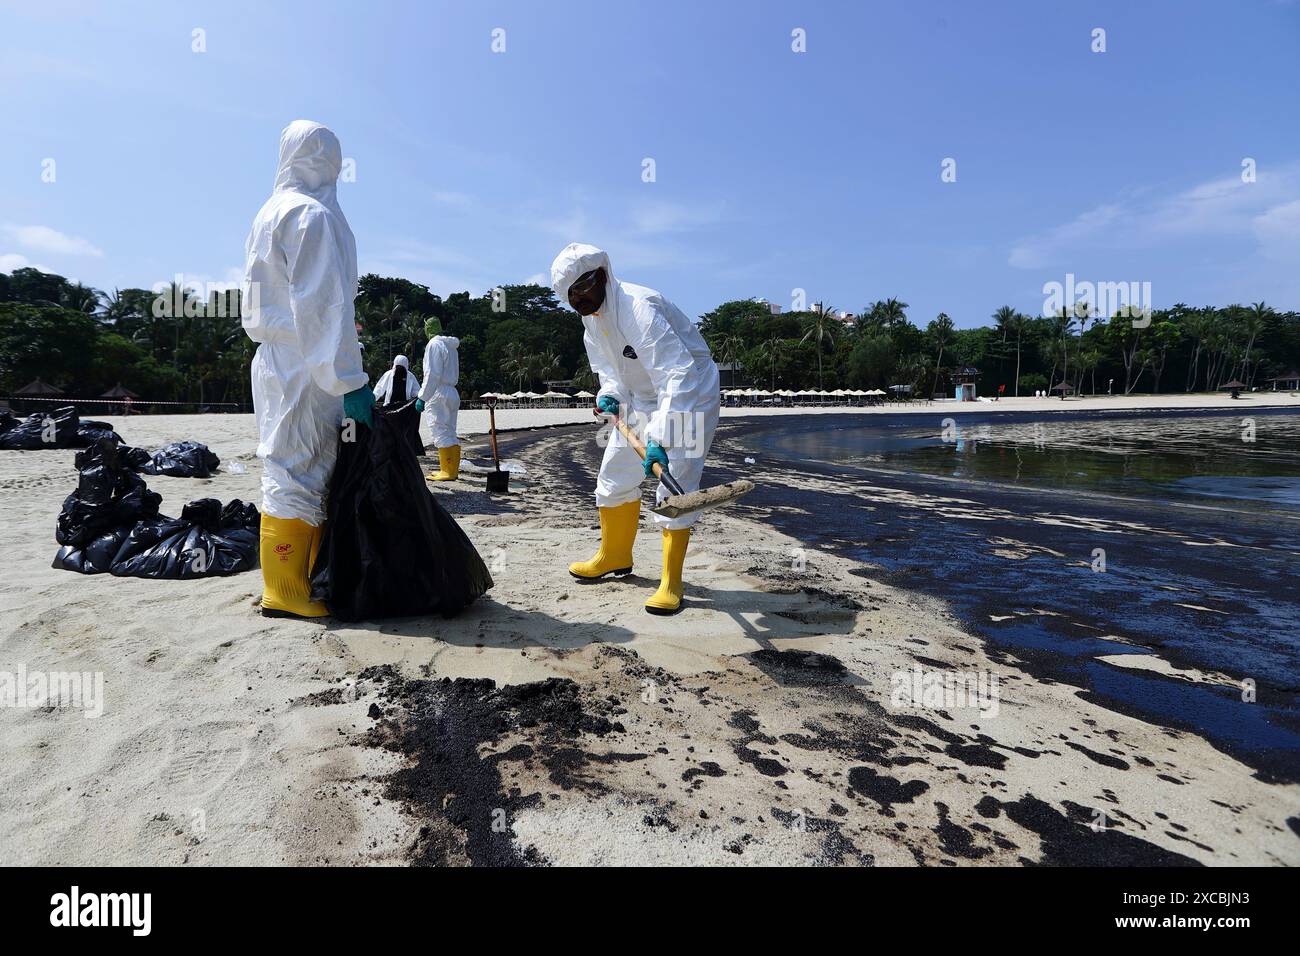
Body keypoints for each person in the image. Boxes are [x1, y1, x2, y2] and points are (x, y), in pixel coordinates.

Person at [242, 120, 373, 618]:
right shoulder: (311, 215)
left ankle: (302, 574)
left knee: (299, 464)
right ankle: (284, 588)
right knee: (298, 467)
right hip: (305, 362)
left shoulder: (270, 212)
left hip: (281, 359)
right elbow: (322, 306)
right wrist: (350, 380)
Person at [550, 243, 720, 615]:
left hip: (690, 392)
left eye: (583, 288)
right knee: (613, 476)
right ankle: (613, 556)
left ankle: (671, 582)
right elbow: (609, 371)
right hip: (643, 398)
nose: (578, 299)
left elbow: (678, 373)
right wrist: (609, 395)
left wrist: (659, 439)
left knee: (675, 486)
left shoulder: (638, 307)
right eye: (570, 295)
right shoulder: (591, 322)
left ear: (603, 276)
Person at [418, 317, 461, 481]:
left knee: (440, 430)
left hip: (439, 392)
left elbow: (432, 374)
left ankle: (447, 471)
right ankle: (450, 469)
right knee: (450, 430)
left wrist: (423, 397)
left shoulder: (434, 345)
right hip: (452, 392)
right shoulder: (451, 346)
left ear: (428, 328)